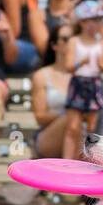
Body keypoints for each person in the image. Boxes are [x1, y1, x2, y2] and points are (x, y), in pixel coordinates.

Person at [62, 0, 103, 160]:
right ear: (82, 22)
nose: (96, 25)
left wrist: (102, 64)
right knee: (72, 127)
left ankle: (89, 161)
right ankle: (68, 161)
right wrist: (80, 63)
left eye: (98, 21)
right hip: (78, 83)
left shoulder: (102, 43)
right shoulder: (74, 41)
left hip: (94, 83)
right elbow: (68, 66)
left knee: (92, 127)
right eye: (92, 20)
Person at [32, 21, 73, 157]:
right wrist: (70, 116)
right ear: (54, 45)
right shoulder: (41, 75)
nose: (71, 42)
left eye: (74, 38)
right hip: (48, 134)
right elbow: (40, 116)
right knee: (72, 119)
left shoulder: (83, 74)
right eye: (65, 39)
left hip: (79, 133)